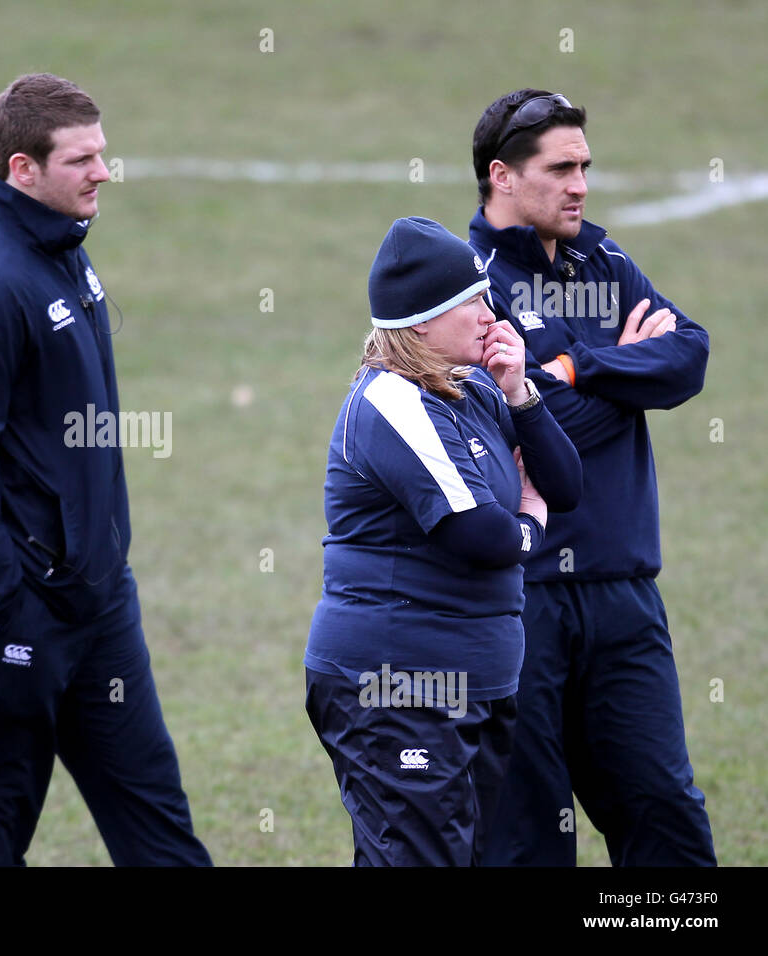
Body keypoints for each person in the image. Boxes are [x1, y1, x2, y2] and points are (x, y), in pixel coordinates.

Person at [0, 73, 212, 866]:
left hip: (96, 598)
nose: (102, 173)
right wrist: (4, 605)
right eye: (82, 159)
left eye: (103, 154)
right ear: (22, 169)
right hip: (18, 611)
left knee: (158, 824)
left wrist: (97, 567)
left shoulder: (62, 254)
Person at [468, 89, 717, 866]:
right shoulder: (467, 288)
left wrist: (576, 368)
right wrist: (621, 375)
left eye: (586, 166)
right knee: (530, 838)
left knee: (665, 816)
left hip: (624, 592)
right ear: (503, 177)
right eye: (561, 168)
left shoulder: (605, 262)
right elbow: (525, 441)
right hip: (521, 600)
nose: (581, 185)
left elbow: (689, 357)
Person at [304, 216, 581, 866]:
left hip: (477, 683)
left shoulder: (476, 385)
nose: (492, 314)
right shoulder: (391, 402)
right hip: (399, 686)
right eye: (473, 302)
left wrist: (520, 393)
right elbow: (482, 535)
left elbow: (564, 484)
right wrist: (531, 520)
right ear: (422, 321)